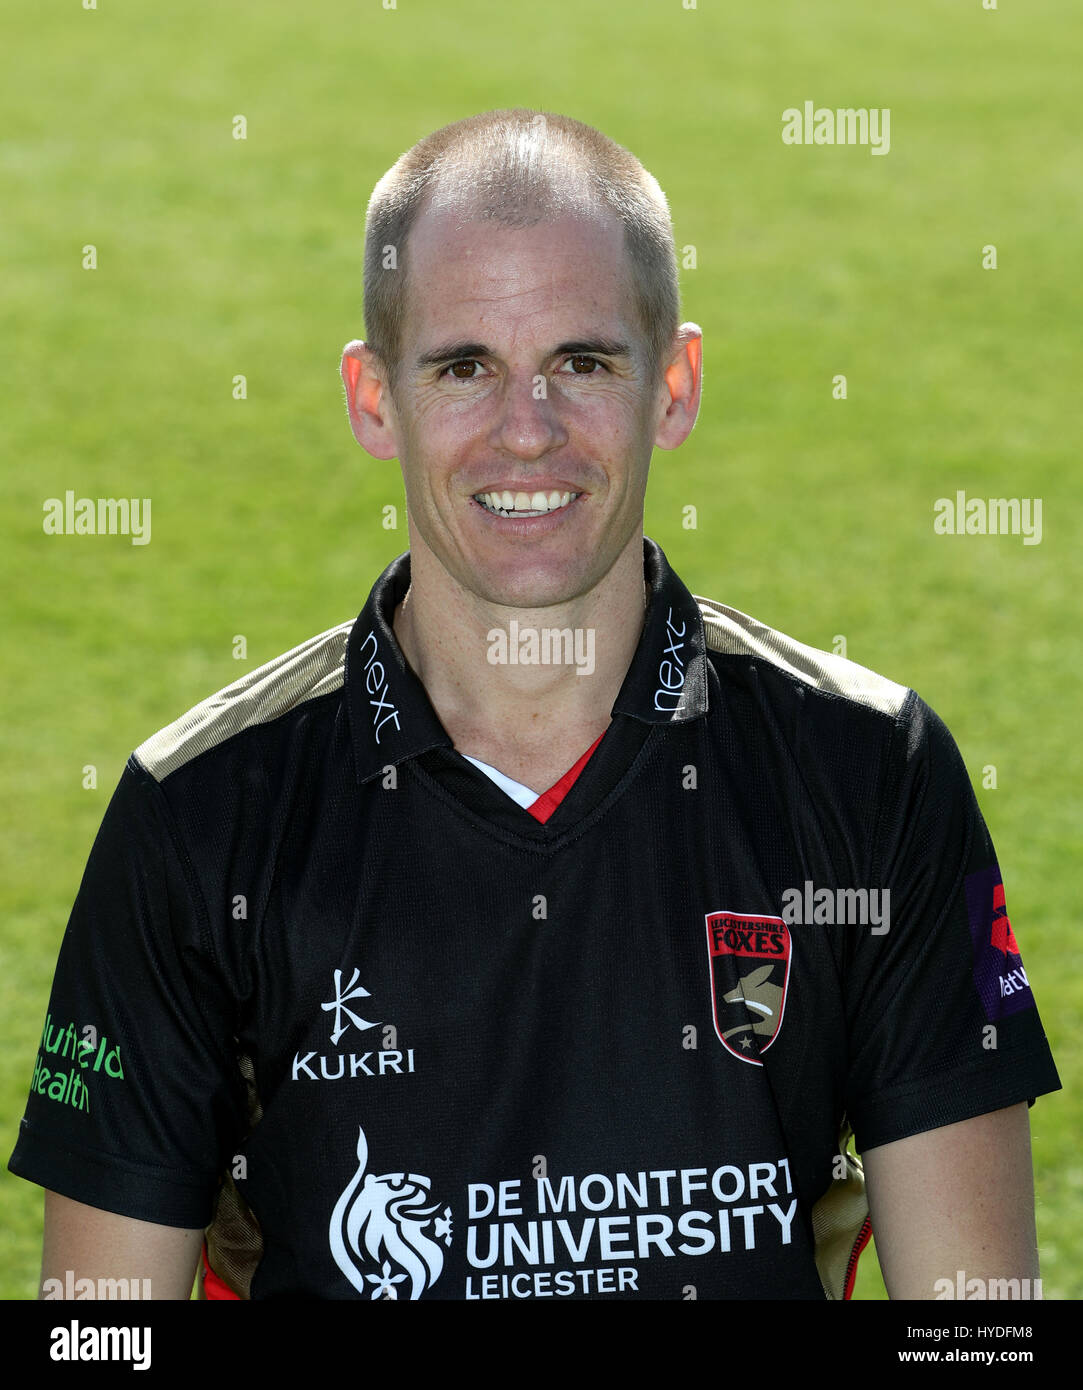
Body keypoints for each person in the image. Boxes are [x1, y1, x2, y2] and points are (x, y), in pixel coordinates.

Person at [10, 109, 1060, 1302]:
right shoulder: (195, 816)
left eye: (584, 361)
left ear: (674, 386)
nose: (529, 429)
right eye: (465, 367)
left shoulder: (874, 770)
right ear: (373, 400)